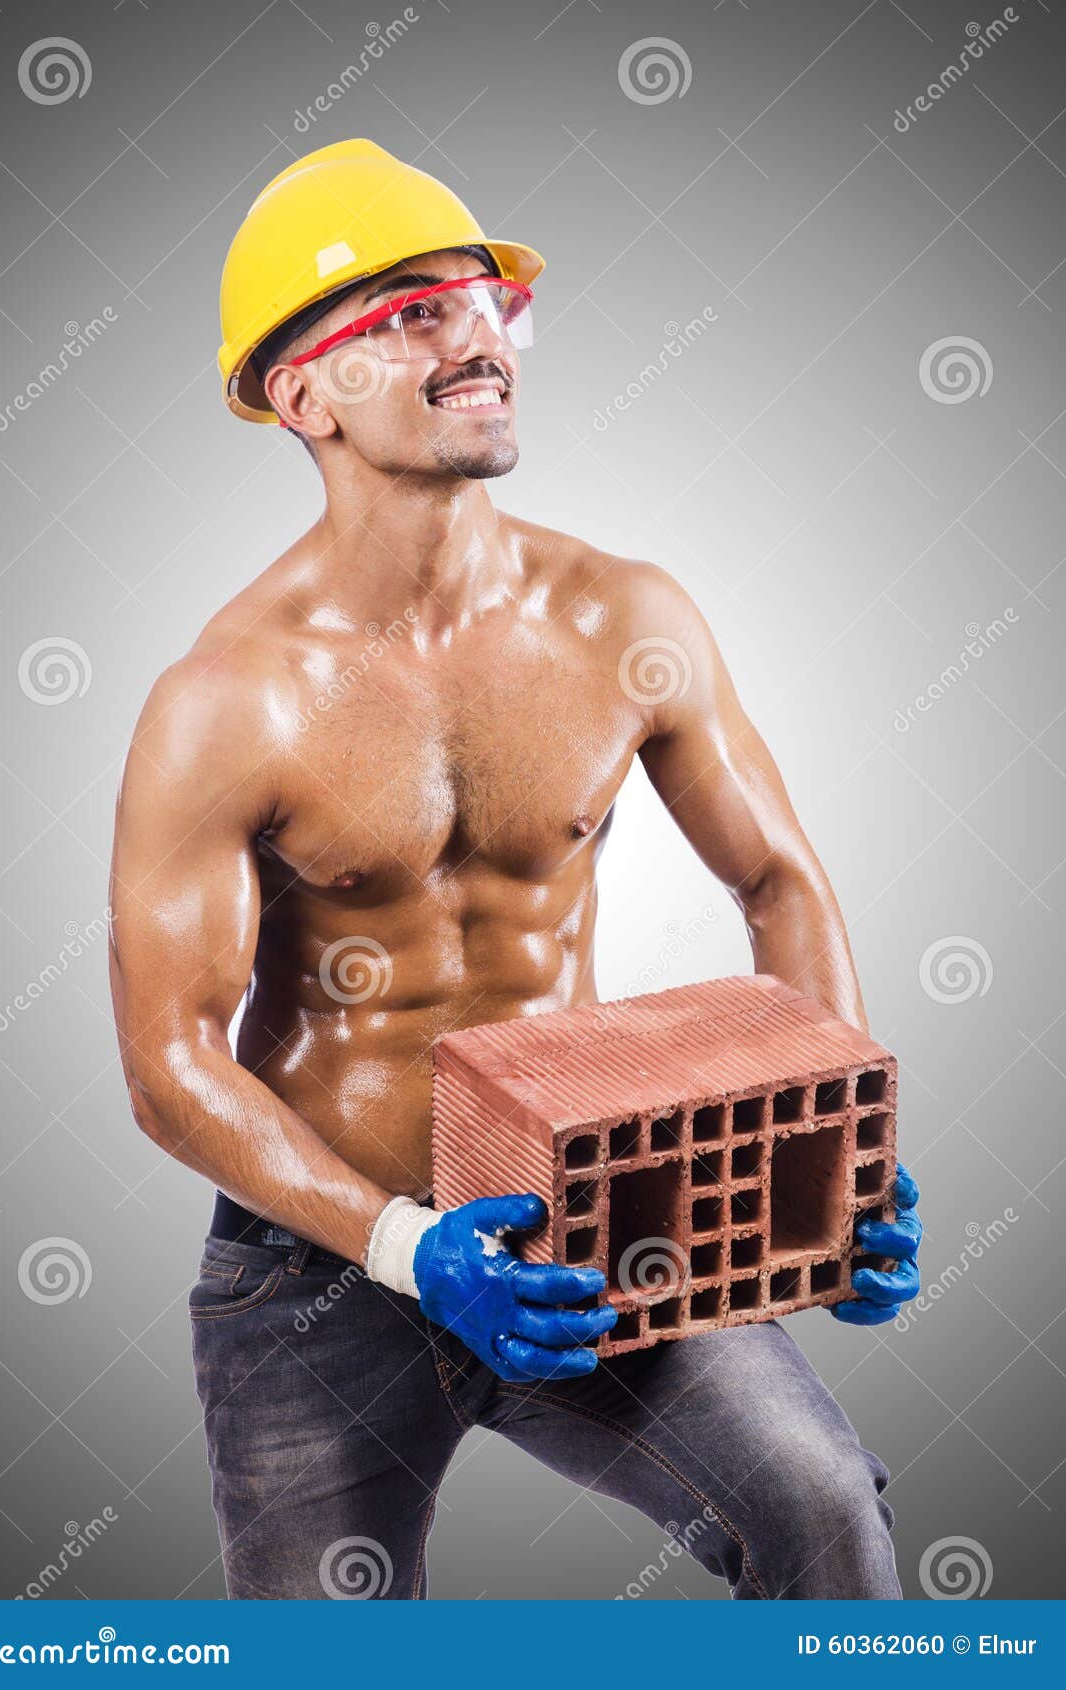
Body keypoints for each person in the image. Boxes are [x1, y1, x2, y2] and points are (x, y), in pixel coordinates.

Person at [108, 139, 922, 1601]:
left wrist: (829, 1160)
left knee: (825, 1516)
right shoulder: (226, 698)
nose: (480, 336)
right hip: (320, 1267)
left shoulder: (622, 617)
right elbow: (168, 1057)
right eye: (414, 313)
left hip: (597, 1219)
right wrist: (411, 1251)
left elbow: (779, 882)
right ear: (304, 393)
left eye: (490, 303)